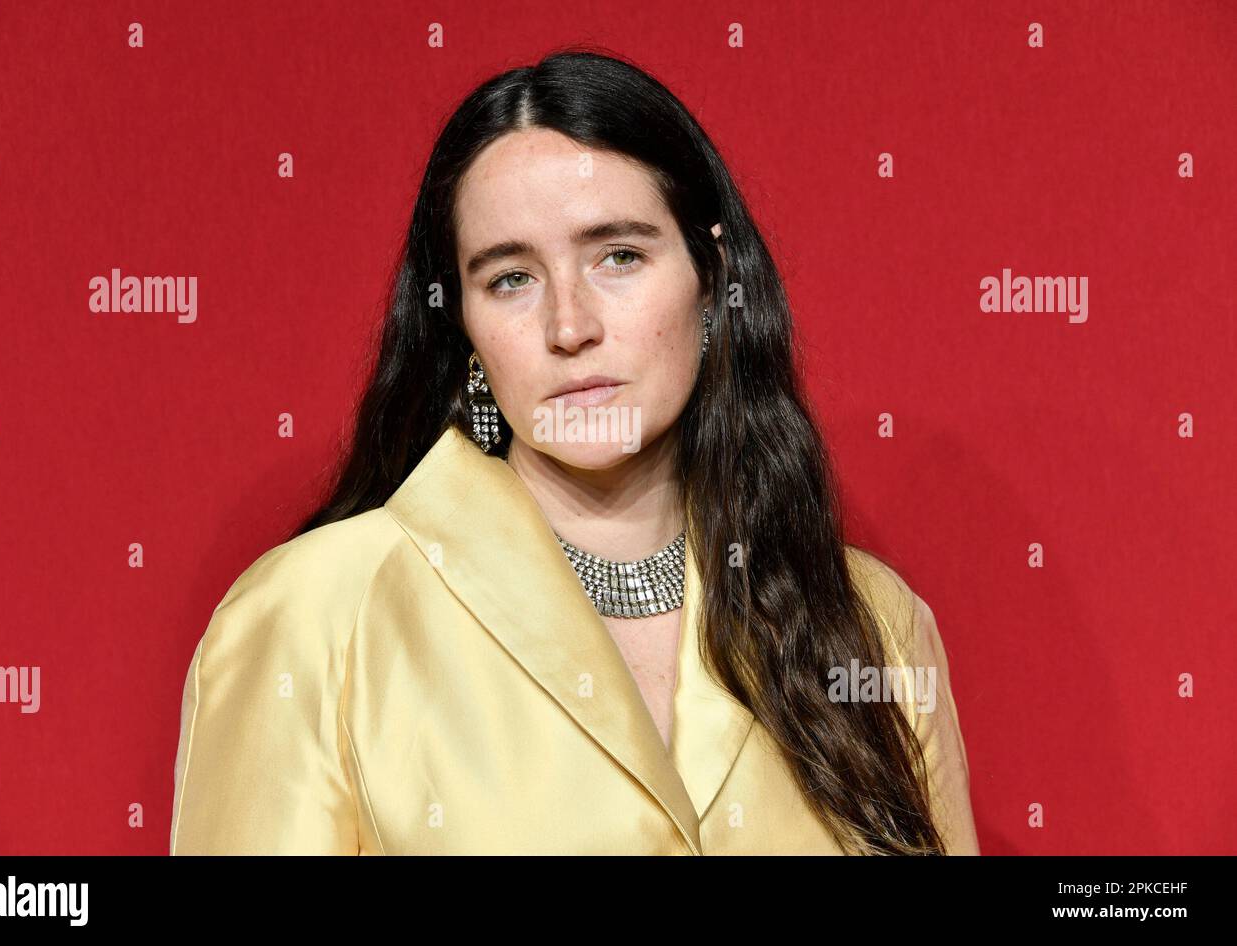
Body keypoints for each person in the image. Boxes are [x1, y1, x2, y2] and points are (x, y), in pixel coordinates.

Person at [169, 48, 980, 855]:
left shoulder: (872, 624)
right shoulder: (315, 616)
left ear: (714, 278)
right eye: (510, 278)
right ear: (464, 332)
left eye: (618, 256)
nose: (569, 326)